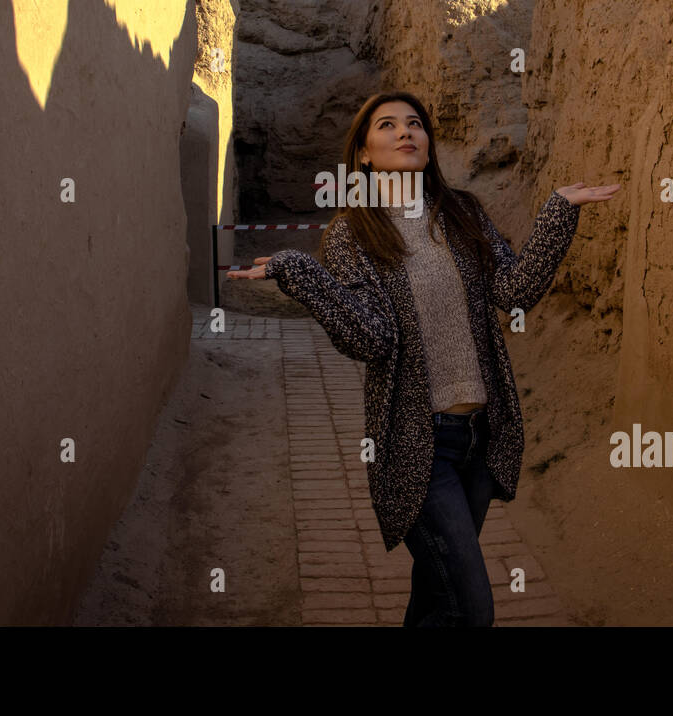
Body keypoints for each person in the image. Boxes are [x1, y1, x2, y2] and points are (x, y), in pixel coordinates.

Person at [229, 89, 619, 625]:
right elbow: (371, 339)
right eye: (387, 126)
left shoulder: (462, 213)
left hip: (483, 437)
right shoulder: (354, 234)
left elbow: (514, 291)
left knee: (438, 594)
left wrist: (559, 212)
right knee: (473, 608)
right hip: (419, 446)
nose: (405, 133)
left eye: (414, 124)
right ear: (364, 152)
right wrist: (303, 274)